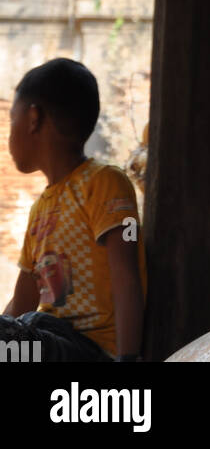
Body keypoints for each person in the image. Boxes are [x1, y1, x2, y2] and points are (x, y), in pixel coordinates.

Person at [2, 58, 146, 361]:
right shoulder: (40, 210)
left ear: (32, 119)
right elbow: (21, 304)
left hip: (90, 352)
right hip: (41, 342)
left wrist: (129, 360)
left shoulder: (105, 183)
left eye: (11, 118)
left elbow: (127, 277)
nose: (7, 132)